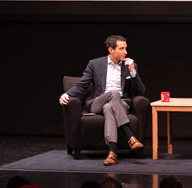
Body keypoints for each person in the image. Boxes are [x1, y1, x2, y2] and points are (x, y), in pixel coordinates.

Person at [59, 35, 146, 166]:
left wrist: (133, 71)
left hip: (121, 104)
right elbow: (82, 84)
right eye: (121, 49)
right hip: (97, 103)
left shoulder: (129, 66)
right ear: (111, 50)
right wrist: (67, 94)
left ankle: (112, 153)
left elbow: (140, 92)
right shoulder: (95, 64)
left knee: (109, 107)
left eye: (126, 48)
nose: (125, 52)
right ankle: (130, 136)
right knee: (113, 94)